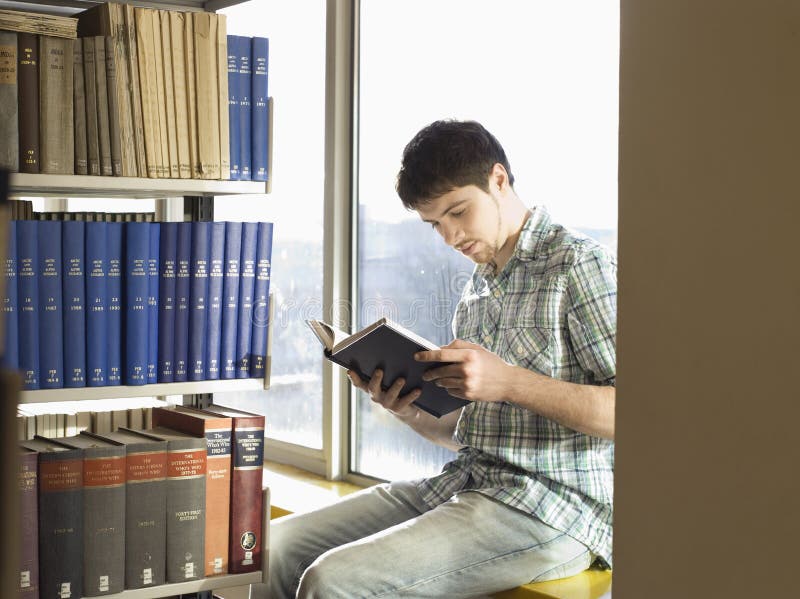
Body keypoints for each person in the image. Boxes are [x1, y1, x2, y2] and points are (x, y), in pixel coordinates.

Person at [268, 119, 616, 598]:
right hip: (467, 482)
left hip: (553, 508)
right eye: (435, 225)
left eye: (458, 212)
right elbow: (471, 433)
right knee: (277, 548)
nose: (450, 237)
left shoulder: (579, 266)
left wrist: (508, 382)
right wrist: (408, 409)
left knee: (331, 582)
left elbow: (635, 413)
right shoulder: (478, 288)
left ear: (499, 180)